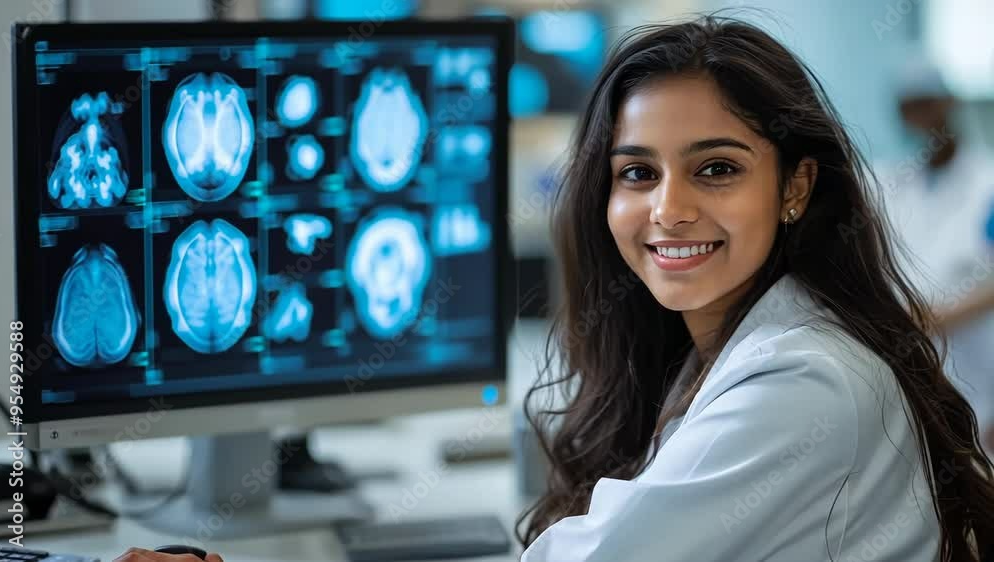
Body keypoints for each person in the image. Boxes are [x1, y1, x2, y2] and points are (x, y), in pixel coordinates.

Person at [118, 15, 994, 562]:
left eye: (717, 169)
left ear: (796, 187)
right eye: (637, 172)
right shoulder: (725, 351)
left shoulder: (803, 383)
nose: (668, 210)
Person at [880, 58, 994, 455]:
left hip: (982, 380)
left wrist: (929, 320)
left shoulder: (988, 184)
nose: (922, 117)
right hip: (917, 382)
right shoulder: (893, 186)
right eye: (910, 108)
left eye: (930, 104)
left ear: (951, 103)